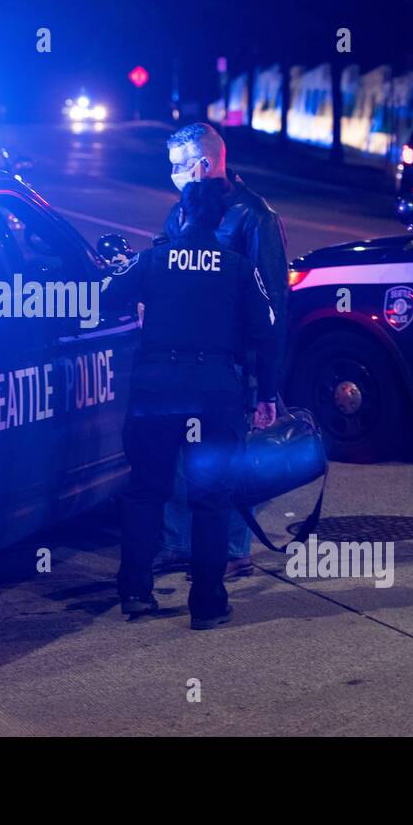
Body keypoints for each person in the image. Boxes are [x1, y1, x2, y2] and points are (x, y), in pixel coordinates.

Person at [102, 179, 275, 629]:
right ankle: (207, 604)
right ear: (218, 223)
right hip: (215, 392)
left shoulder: (153, 260)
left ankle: (137, 593)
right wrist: (267, 394)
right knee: (211, 500)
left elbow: (104, 298)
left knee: (146, 491)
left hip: (156, 390)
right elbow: (267, 332)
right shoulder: (238, 267)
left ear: (181, 216)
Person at [158, 122, 288, 576]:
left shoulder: (255, 218)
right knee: (177, 453)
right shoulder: (181, 212)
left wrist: (266, 389)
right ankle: (177, 543)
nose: (173, 174)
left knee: (225, 459)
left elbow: (273, 306)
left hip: (230, 366)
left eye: (179, 165)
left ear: (204, 163)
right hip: (180, 359)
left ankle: (234, 551)